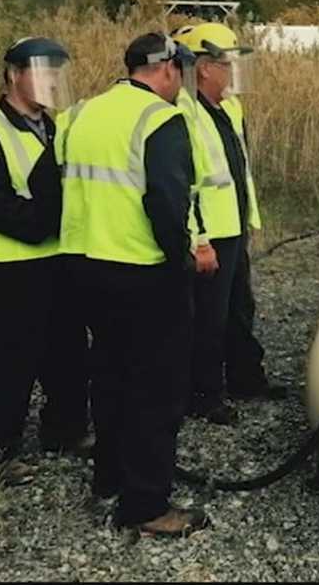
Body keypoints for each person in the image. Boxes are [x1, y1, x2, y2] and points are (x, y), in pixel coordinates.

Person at [59, 32, 209, 536]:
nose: (179, 84)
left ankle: (110, 476)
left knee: (109, 374)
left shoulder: (81, 114)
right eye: (179, 73)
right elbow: (167, 205)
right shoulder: (161, 120)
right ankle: (146, 505)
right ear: (165, 69)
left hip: (85, 265)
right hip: (143, 272)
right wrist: (182, 263)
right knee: (156, 388)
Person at [0, 36, 92, 486]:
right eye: (40, 72)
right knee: (9, 362)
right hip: (8, 266)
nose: (50, 81)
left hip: (57, 263)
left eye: (56, 73)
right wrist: (55, 222)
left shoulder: (57, 129)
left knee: (69, 352)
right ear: (12, 75)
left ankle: (66, 431)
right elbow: (0, 205)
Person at [171, 23, 286, 426]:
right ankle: (204, 395)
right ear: (202, 67)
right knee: (208, 316)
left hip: (234, 225)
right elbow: (184, 185)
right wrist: (198, 239)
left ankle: (245, 379)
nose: (234, 71)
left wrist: (249, 218)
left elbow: (239, 172)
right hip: (210, 234)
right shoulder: (182, 114)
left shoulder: (230, 107)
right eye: (226, 62)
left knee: (241, 307)